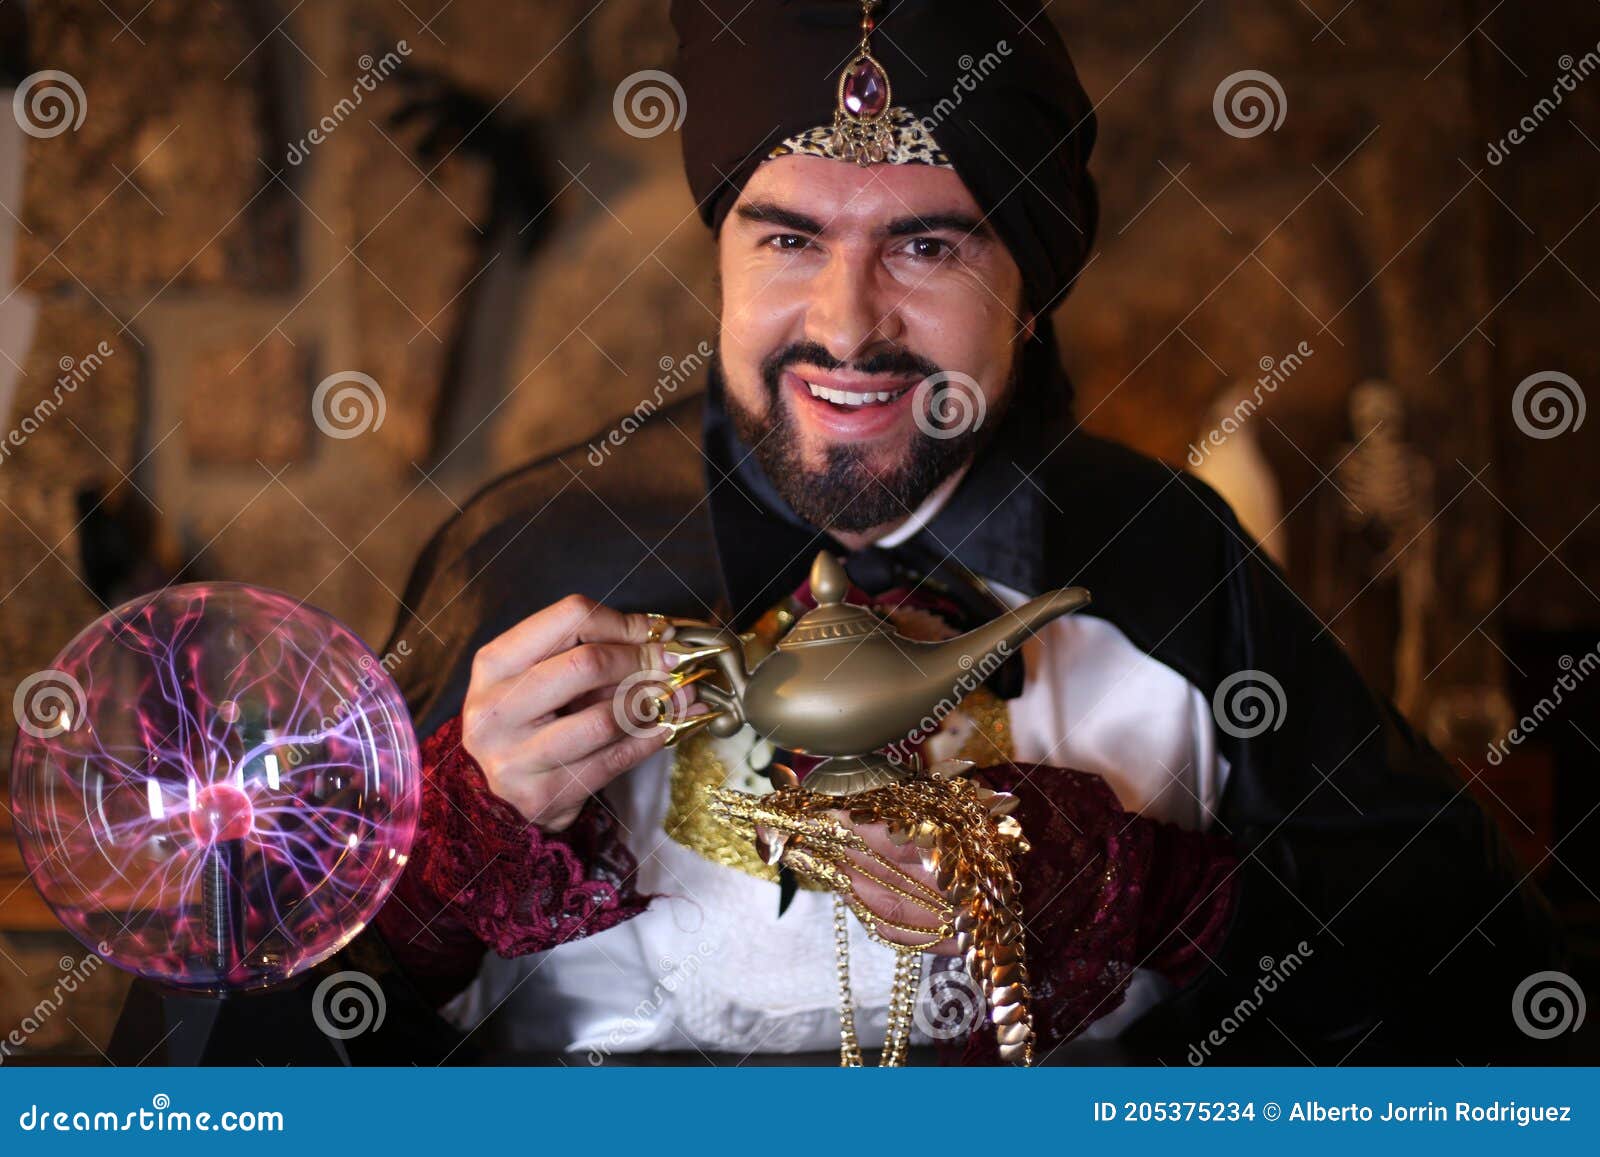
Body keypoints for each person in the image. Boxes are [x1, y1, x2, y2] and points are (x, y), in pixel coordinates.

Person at [364, 0, 1557, 1065]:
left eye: (927, 245)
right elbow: (267, 1062)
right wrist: (440, 877)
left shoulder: (1165, 559)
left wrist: (1164, 900)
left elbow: (1486, 1004)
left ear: (1030, 289)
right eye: (787, 237)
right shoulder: (521, 560)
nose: (846, 325)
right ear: (720, 255)